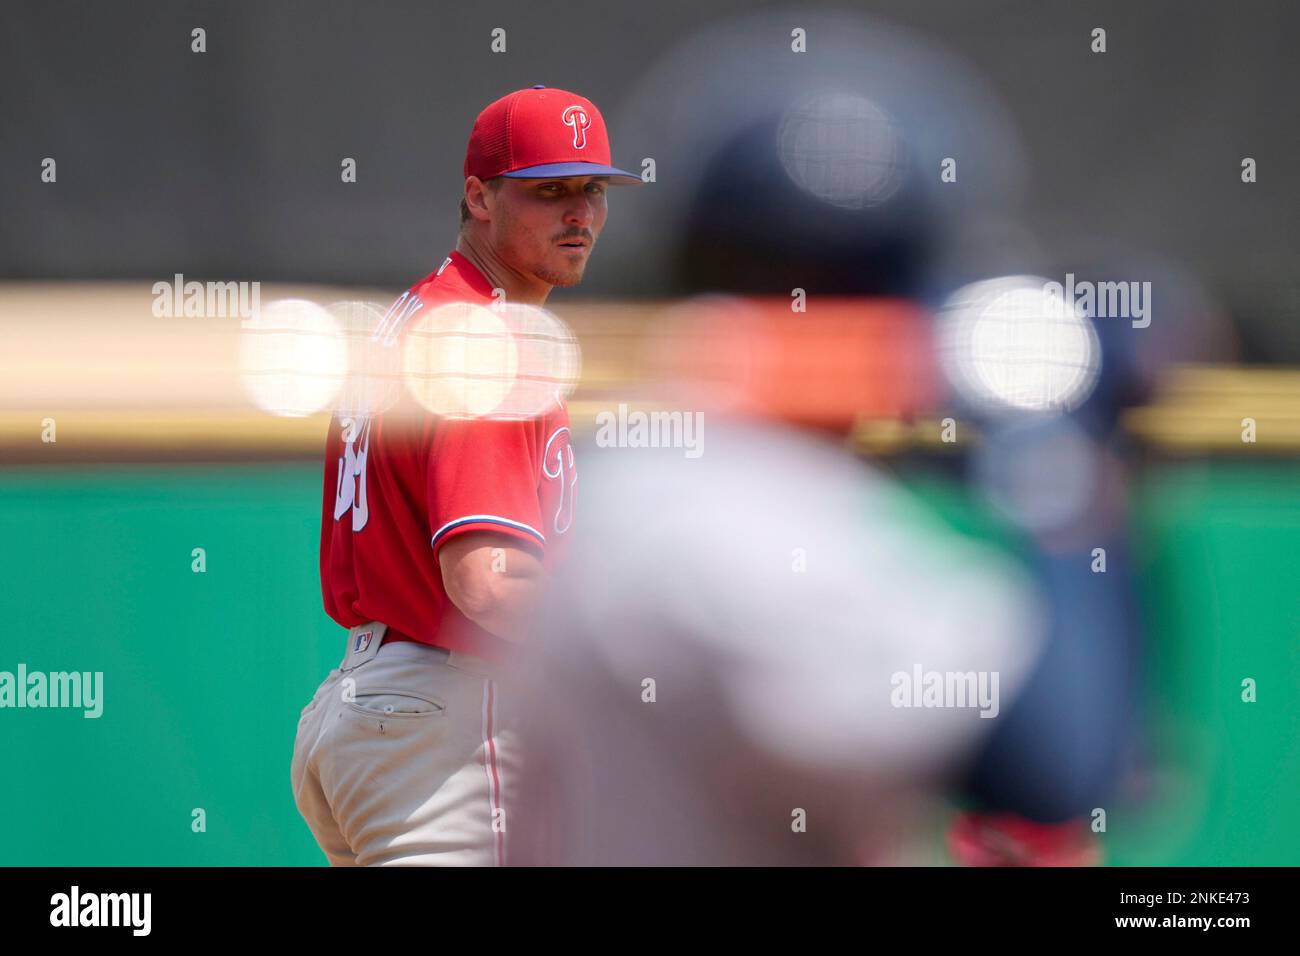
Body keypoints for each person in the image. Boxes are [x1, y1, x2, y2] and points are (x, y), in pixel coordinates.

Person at [291, 85, 641, 866]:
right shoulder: (480, 337)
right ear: (479, 197)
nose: (579, 212)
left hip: (373, 715)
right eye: (548, 191)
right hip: (447, 723)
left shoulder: (421, 314)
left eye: (593, 189)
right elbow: (487, 580)